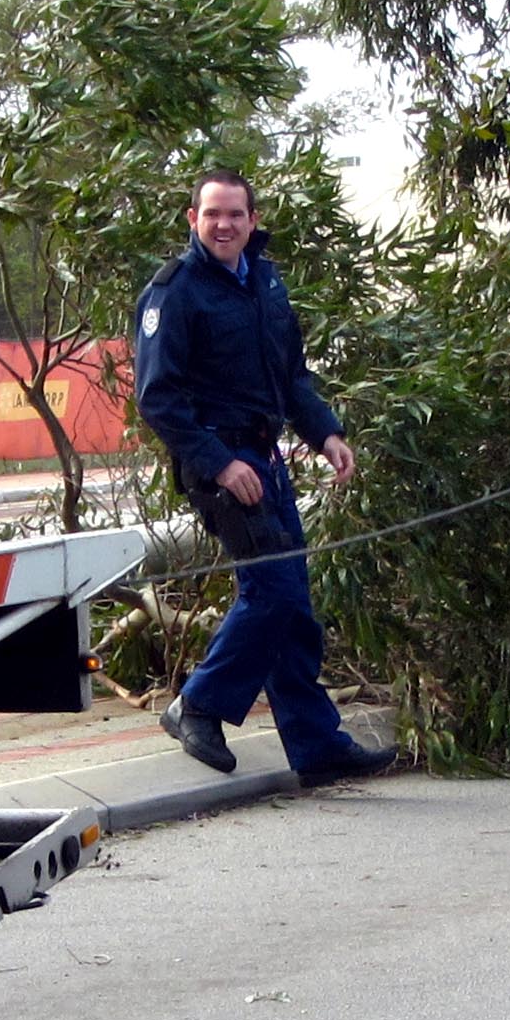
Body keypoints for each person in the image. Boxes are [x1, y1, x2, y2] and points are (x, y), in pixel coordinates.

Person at [134, 169, 394, 788]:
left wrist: (326, 434)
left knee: (292, 603)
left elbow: (291, 377)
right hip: (219, 463)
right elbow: (157, 398)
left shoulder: (265, 282)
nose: (223, 225)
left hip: (265, 459)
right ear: (193, 219)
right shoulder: (174, 293)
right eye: (212, 214)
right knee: (271, 591)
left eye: (235, 214)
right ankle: (197, 703)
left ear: (253, 220)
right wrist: (220, 464)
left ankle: (316, 746)